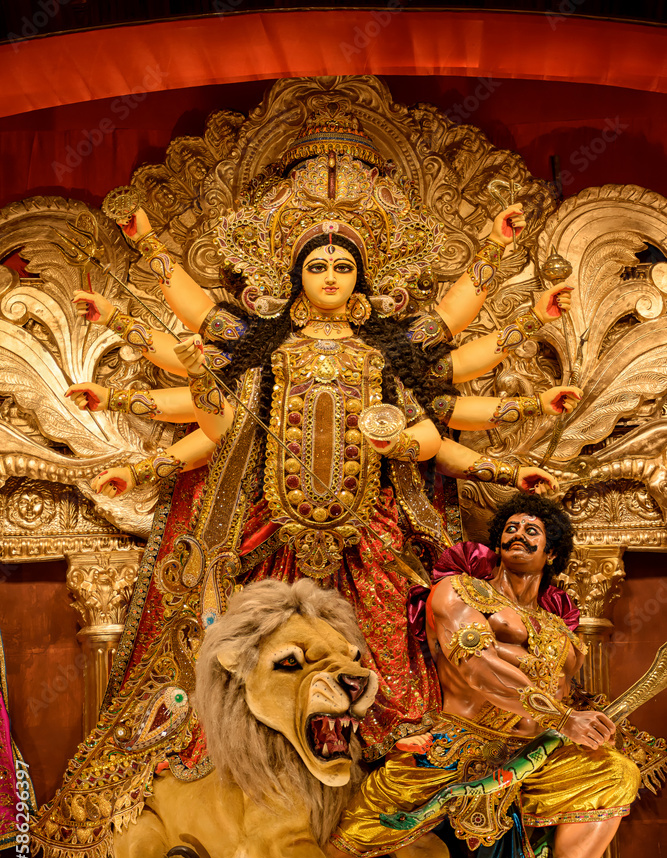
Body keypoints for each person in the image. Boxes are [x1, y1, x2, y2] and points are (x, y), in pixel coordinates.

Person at [65, 162, 578, 759]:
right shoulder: (261, 346)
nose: (331, 277)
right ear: (295, 275)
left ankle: (400, 765)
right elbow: (216, 419)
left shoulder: (390, 351)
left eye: (342, 267)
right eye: (317, 266)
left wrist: (505, 265)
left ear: (361, 277)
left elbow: (439, 419)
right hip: (271, 533)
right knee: (254, 656)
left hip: (372, 537)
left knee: (393, 662)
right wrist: (137, 269)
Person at [226, 493, 640, 858]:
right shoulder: (461, 593)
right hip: (456, 747)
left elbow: (563, 692)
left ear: (552, 552)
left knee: (615, 773)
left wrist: (588, 725)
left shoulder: (558, 628)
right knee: (350, 838)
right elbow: (479, 668)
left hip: (536, 753)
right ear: (496, 545)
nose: (518, 534)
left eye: (532, 530)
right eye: (510, 528)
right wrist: (565, 718)